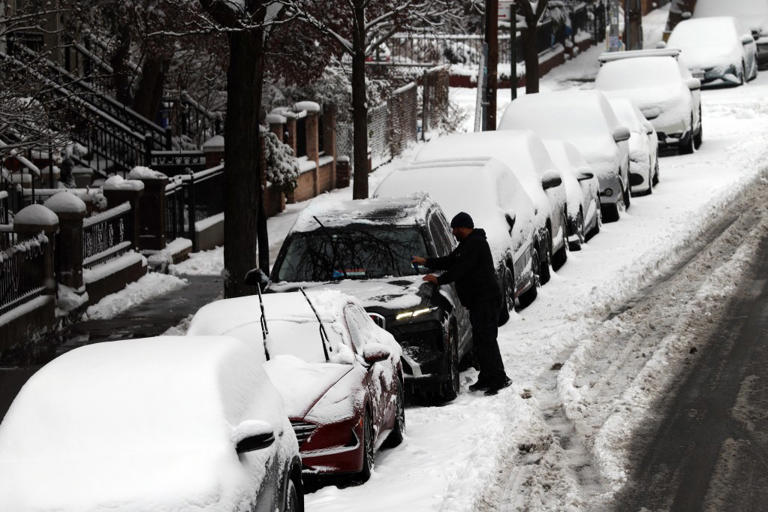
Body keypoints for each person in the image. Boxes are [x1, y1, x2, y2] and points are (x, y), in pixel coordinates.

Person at [412, 212, 511, 396]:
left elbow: (459, 269)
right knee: (480, 341)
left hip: (486, 301)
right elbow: (450, 261)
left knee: (487, 340)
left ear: (463, 227)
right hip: (478, 302)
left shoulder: (476, 244)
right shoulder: (467, 244)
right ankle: (487, 377)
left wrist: (438, 280)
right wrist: (425, 261)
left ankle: (499, 378)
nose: (453, 232)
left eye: (455, 228)